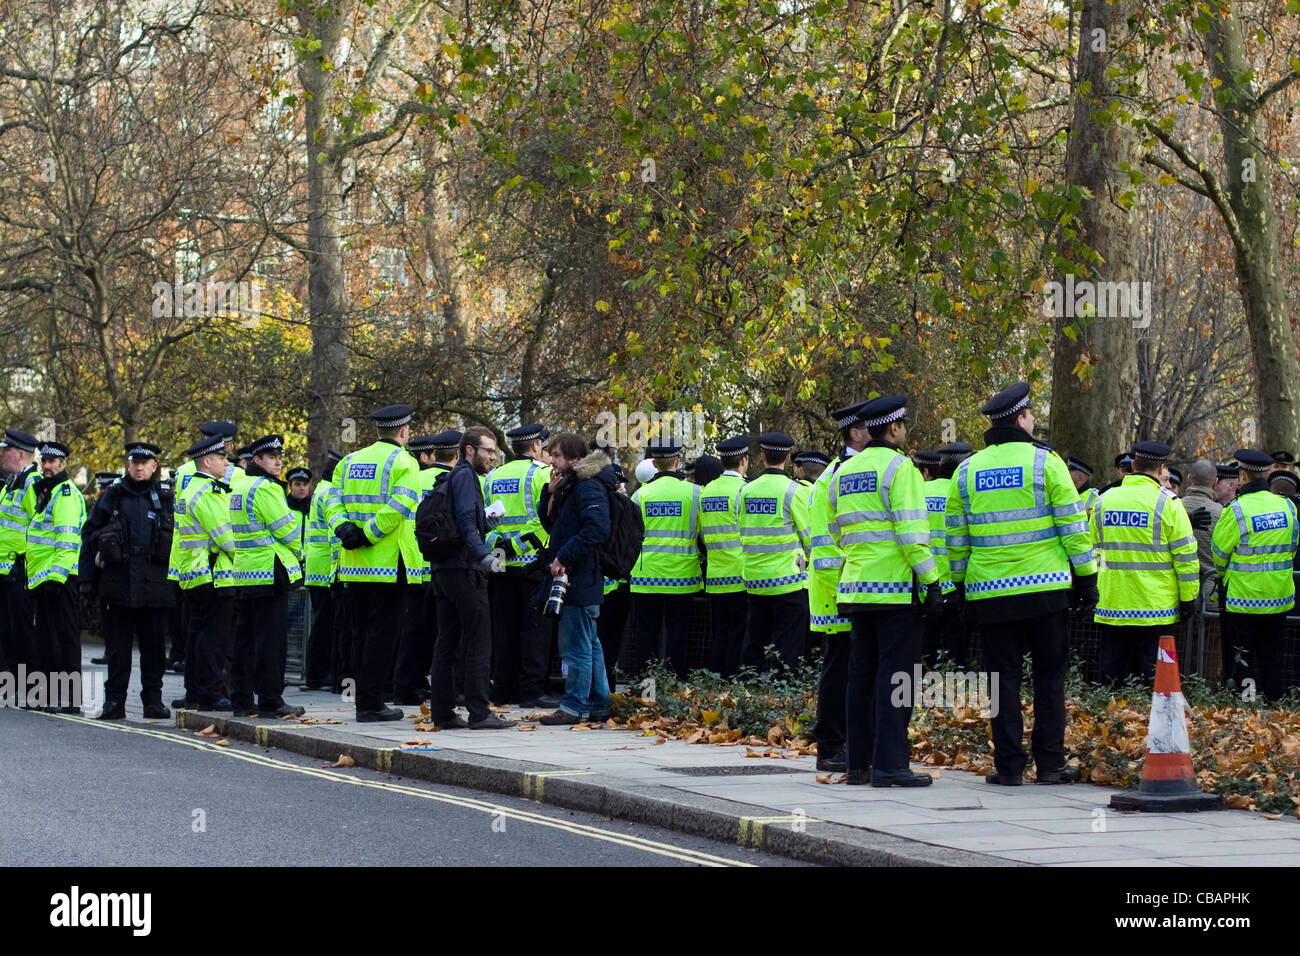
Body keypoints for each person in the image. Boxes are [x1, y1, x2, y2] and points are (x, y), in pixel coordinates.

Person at [946, 382, 1098, 786]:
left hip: (991, 596)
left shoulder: (966, 471)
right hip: (1046, 593)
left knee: (1002, 681)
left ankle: (1009, 767)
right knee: (1049, 679)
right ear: (1020, 419)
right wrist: (1087, 580)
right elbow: (1073, 527)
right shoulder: (1046, 464)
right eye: (1032, 415)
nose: (1034, 421)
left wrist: (959, 587)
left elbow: (956, 541)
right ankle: (1050, 764)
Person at [829, 396, 935, 788]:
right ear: (893, 428)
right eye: (903, 424)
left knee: (860, 677)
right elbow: (911, 534)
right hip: (894, 591)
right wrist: (932, 581)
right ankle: (891, 764)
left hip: (856, 587)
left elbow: (836, 528)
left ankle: (858, 765)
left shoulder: (844, 471)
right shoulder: (900, 467)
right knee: (897, 679)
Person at [326, 405, 425, 722]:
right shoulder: (404, 462)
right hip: (387, 565)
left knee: (358, 636)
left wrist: (344, 529)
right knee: (382, 637)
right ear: (404, 431)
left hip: (352, 564)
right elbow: (399, 506)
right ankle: (370, 704)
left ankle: (359, 700)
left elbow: (331, 499)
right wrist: (368, 535)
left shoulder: (349, 461)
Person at [1089, 441, 1198, 687]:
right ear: (1161, 470)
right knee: (1156, 681)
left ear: (1133, 465)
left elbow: (1094, 552)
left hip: (1112, 606)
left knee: (1110, 678)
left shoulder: (1104, 500)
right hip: (1156, 609)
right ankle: (1152, 723)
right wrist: (1188, 598)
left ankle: (1106, 721)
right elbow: (1185, 557)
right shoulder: (1169, 504)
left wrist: (1100, 587)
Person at [212, 434, 306, 718]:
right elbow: (288, 530)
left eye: (280, 457)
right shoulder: (266, 488)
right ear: (257, 460)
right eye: (272, 457)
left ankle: (241, 699)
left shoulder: (241, 485)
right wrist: (299, 554)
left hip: (245, 572)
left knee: (245, 640)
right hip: (269, 572)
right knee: (270, 641)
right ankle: (270, 700)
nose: (278, 462)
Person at [82, 442, 176, 719]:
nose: (138, 467)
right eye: (134, 463)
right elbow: (89, 535)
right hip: (118, 582)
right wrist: (88, 580)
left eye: (144, 463)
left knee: (155, 649)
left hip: (155, 584)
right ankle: (115, 702)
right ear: (128, 465)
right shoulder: (113, 495)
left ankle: (153, 701)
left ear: (154, 467)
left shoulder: (165, 497)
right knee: (117, 650)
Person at [427, 425, 513, 729]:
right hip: (464, 572)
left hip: (444, 571)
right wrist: (485, 557)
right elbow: (464, 523)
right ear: (469, 450)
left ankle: (443, 713)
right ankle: (479, 712)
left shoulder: (456, 477)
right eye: (488, 451)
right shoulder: (465, 477)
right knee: (479, 641)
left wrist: (487, 522)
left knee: (446, 642)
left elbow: (466, 524)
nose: (492, 456)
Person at [536, 434, 616, 724]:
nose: (551, 461)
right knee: (589, 643)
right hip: (581, 577)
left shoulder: (587, 486)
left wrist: (563, 557)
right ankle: (598, 703)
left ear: (572, 458)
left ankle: (574, 705)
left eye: (556, 455)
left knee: (576, 645)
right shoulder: (571, 485)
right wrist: (550, 493)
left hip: (580, 577)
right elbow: (554, 527)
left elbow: (597, 529)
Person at [807, 400, 867, 773]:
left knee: (843, 667)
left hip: (842, 585)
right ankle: (831, 746)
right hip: (840, 587)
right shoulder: (840, 475)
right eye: (869, 428)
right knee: (839, 668)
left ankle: (838, 743)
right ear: (856, 433)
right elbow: (831, 546)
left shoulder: (838, 472)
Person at [1211, 448, 1297, 701]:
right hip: (1279, 598)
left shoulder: (1236, 510)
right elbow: (1291, 547)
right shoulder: (1287, 507)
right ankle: (1275, 704)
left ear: (1243, 476)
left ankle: (1247, 708)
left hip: (1242, 601)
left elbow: (1219, 554)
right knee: (1272, 656)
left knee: (1243, 658)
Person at [482, 424, 556, 708]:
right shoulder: (542, 474)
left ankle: (503, 689)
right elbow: (544, 521)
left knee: (503, 629)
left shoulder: (492, 476)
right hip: (532, 565)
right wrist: (519, 546)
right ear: (537, 445)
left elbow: (485, 520)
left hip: (499, 565)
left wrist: (498, 545)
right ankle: (532, 690)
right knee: (535, 629)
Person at [390, 431, 458, 704]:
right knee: (446, 633)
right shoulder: (458, 480)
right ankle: (449, 689)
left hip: (415, 564)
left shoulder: (413, 478)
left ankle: (405, 687)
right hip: (444, 567)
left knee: (413, 632)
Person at [171, 435, 237, 710]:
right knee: (213, 638)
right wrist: (245, 558)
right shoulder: (208, 492)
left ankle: (197, 692)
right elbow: (226, 538)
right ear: (207, 462)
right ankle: (210, 692)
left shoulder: (191, 488)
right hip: (212, 574)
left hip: (194, 574)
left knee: (198, 636)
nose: (226, 462)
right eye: (222, 458)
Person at [736, 431, 811, 672]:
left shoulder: (746, 490)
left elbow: (741, 529)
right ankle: (783, 692)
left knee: (754, 640)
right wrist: (804, 563)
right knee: (787, 643)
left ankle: (748, 688)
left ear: (763, 456)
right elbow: (809, 538)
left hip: (755, 579)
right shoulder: (794, 491)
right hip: (788, 581)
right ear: (788, 458)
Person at [629, 440, 703, 679]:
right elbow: (704, 533)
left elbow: (631, 535)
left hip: (646, 577)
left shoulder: (640, 495)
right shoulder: (695, 492)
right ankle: (677, 684)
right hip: (682, 576)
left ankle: (646, 687)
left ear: (654, 464)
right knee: (678, 634)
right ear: (677, 462)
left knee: (645, 635)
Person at [26, 440, 86, 712]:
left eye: (52, 462)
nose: (47, 466)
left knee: (65, 639)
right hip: (43, 578)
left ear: (63, 464)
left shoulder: (65, 494)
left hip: (58, 579)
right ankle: (46, 696)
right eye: (44, 461)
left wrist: (56, 578)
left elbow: (67, 541)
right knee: (46, 640)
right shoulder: (46, 492)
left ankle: (71, 700)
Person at [699, 435, 749, 677]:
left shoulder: (707, 491)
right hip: (740, 574)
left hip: (715, 575)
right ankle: (733, 681)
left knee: (719, 634)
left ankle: (715, 680)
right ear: (744, 460)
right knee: (738, 633)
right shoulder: (744, 489)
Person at [0, 428, 40, 689]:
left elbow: (40, 528)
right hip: (5, 571)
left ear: (21, 454)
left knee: (23, 630)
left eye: (6, 450)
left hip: (20, 570)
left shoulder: (32, 484)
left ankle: (29, 684)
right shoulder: (10, 484)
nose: (2, 454)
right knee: (6, 630)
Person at [301, 450, 344, 691]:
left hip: (317, 564)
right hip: (326, 566)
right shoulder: (330, 492)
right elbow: (333, 534)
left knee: (320, 625)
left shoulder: (321, 489)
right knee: (326, 625)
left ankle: (317, 674)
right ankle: (321, 674)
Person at [1180, 459, 1224, 607]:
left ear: (1189, 479)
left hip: (1176, 593)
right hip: (1211, 594)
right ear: (1215, 482)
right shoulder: (1223, 514)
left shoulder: (1172, 508)